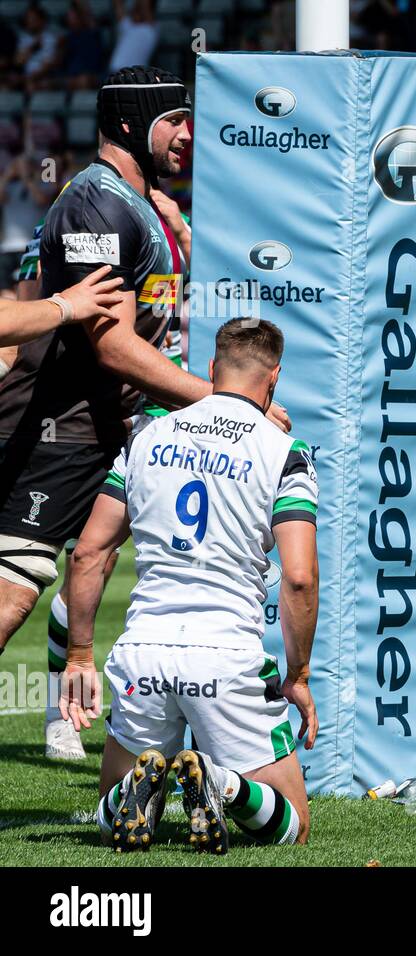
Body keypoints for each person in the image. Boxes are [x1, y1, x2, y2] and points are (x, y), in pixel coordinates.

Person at [0, 67, 291, 759]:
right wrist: (223, 404)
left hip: (114, 430)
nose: (190, 134)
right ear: (133, 124)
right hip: (58, 433)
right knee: (12, 595)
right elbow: (114, 348)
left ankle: (163, 730)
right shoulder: (96, 205)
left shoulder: (146, 203)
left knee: (126, 564)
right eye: (176, 120)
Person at [60, 318, 318, 853]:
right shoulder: (285, 451)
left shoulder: (146, 436)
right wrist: (298, 674)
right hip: (226, 656)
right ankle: (222, 783)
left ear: (210, 370)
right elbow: (298, 578)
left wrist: (80, 654)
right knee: (293, 826)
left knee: (111, 816)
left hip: (143, 653)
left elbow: (89, 552)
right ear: (274, 380)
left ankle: (144, 783)